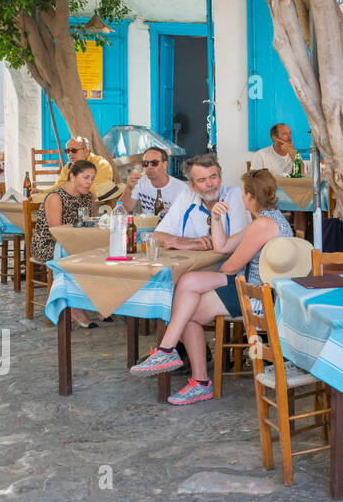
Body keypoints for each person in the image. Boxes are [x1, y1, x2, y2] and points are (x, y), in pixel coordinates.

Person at [130, 168, 296, 405]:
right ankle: (166, 351)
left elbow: (230, 266)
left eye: (242, 192)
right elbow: (223, 246)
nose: (239, 196)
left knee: (187, 312)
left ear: (250, 196)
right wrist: (216, 219)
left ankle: (197, 381)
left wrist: (209, 283)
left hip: (260, 295)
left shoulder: (264, 226)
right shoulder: (266, 219)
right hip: (250, 283)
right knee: (187, 282)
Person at [30, 158, 98, 329]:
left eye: (92, 179)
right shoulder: (55, 197)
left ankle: (96, 301)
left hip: (76, 243)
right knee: (76, 257)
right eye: (86, 177)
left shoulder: (88, 197)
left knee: (100, 253)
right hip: (48, 245)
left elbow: (88, 224)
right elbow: (56, 234)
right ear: (73, 176)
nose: (90, 182)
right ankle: (74, 307)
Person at [152, 153, 251, 250]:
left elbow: (240, 241)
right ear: (192, 186)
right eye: (202, 180)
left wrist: (192, 245)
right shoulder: (186, 196)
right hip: (193, 263)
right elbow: (157, 235)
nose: (209, 184)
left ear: (220, 178)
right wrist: (191, 242)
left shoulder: (236, 195)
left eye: (213, 177)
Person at [121, 146, 179, 216]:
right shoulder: (139, 182)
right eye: (145, 163)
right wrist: (129, 188)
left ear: (165, 164)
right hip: (147, 225)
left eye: (154, 163)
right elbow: (122, 211)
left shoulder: (181, 189)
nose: (149, 167)